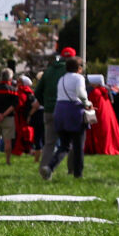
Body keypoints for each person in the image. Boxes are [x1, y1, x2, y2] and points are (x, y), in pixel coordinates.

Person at [36, 48, 76, 180]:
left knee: (49, 143)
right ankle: (72, 170)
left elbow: (37, 92)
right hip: (66, 111)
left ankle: (44, 170)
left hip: (48, 111)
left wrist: (46, 103)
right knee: (71, 141)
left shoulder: (48, 71)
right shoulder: (71, 72)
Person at [51, 56, 90, 179]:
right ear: (79, 68)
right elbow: (80, 93)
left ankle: (50, 167)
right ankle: (78, 173)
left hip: (60, 110)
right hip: (74, 112)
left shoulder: (61, 79)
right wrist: (87, 102)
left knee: (64, 145)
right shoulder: (79, 78)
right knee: (78, 145)